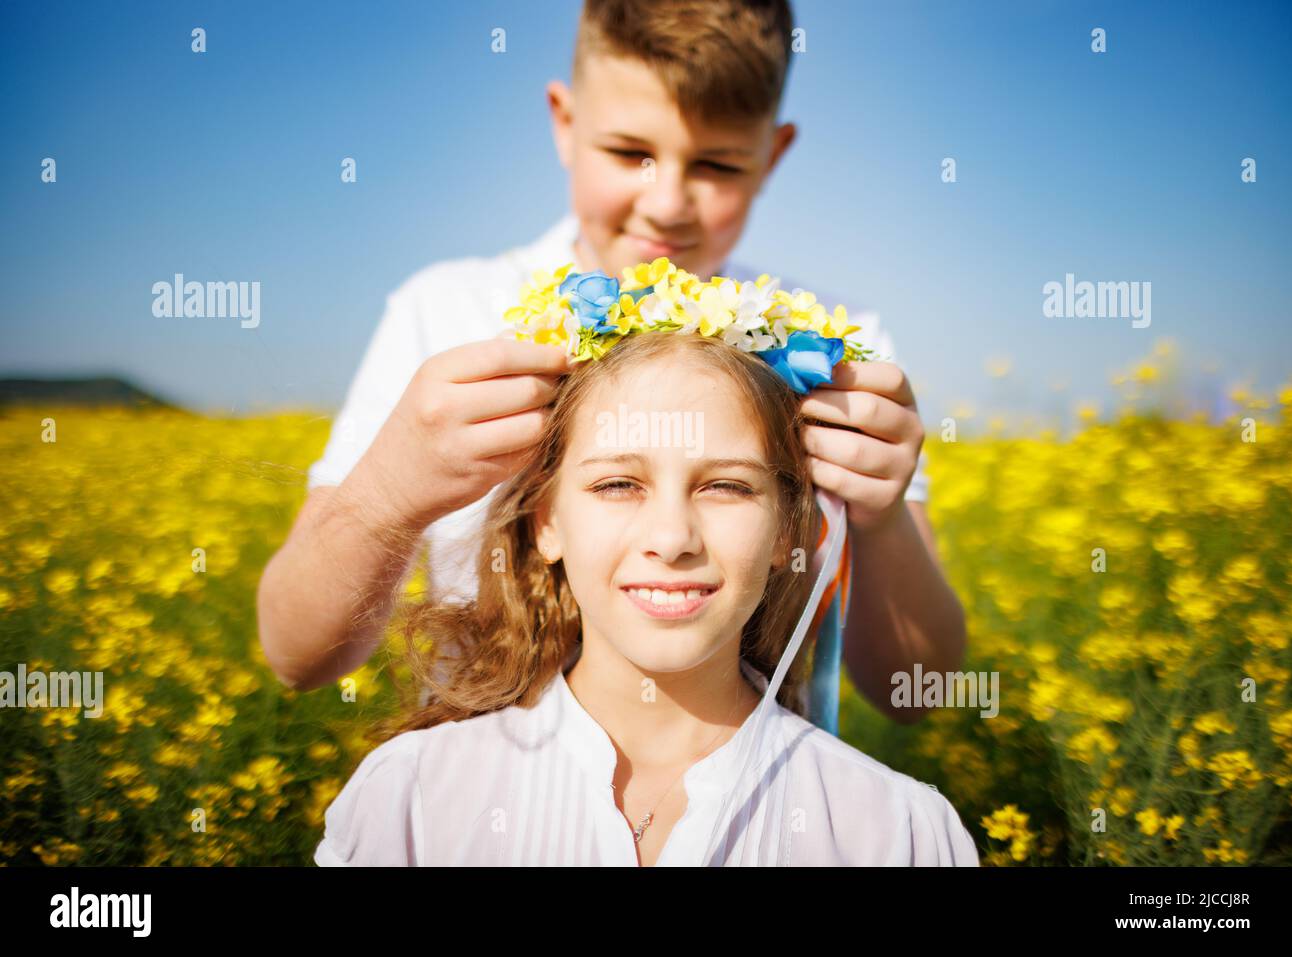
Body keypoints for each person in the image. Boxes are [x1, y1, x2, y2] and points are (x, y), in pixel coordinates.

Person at [257, 0, 967, 725]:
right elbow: (297, 654)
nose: (666, 203)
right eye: (631, 153)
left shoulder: (826, 349)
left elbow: (918, 690)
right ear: (564, 123)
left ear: (774, 155)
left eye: (718, 164)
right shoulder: (443, 313)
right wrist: (386, 492)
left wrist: (881, 522)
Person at [313, 310, 980, 865]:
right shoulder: (409, 801)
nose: (672, 537)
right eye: (617, 484)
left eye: (726, 485)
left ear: (787, 531)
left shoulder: (900, 833)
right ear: (547, 522)